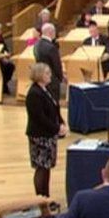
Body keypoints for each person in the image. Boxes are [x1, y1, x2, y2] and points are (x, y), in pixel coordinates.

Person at [24, 63, 66, 197]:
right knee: (41, 168)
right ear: (39, 75)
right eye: (47, 73)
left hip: (48, 134)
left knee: (46, 167)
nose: (50, 76)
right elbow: (39, 118)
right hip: (39, 135)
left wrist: (61, 122)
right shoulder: (34, 94)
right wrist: (56, 128)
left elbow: (54, 108)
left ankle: (46, 198)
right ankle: (40, 199)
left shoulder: (45, 90)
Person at [33, 24, 64, 98]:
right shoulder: (51, 47)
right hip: (51, 80)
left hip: (39, 78)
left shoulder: (36, 45)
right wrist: (60, 78)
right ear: (51, 32)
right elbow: (57, 65)